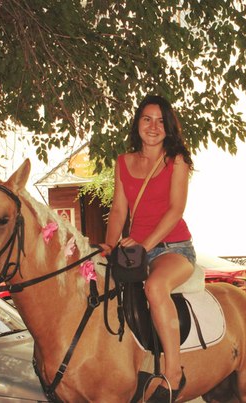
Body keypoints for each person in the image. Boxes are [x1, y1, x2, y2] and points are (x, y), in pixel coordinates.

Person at [100, 95, 195, 402]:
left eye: (160, 120)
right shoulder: (123, 162)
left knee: (155, 287)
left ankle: (173, 373)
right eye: (147, 119)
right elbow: (118, 210)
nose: (153, 126)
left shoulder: (176, 160)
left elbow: (176, 209)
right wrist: (109, 246)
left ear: (168, 127)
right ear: (137, 123)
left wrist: (144, 245)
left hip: (173, 248)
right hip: (134, 251)